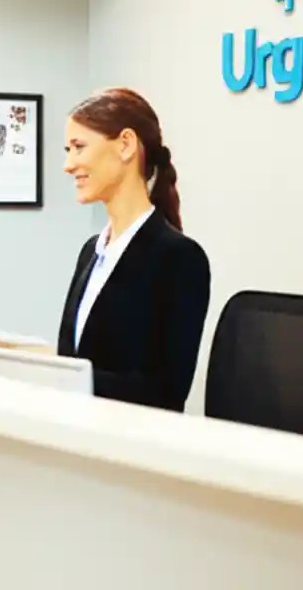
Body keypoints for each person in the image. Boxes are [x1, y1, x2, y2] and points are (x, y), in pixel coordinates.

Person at [56, 87, 210, 411]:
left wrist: (60, 375)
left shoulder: (179, 259)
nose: (68, 165)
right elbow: (72, 360)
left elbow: (164, 392)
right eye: (68, 150)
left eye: (78, 147)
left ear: (125, 145)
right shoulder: (91, 252)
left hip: (129, 447)